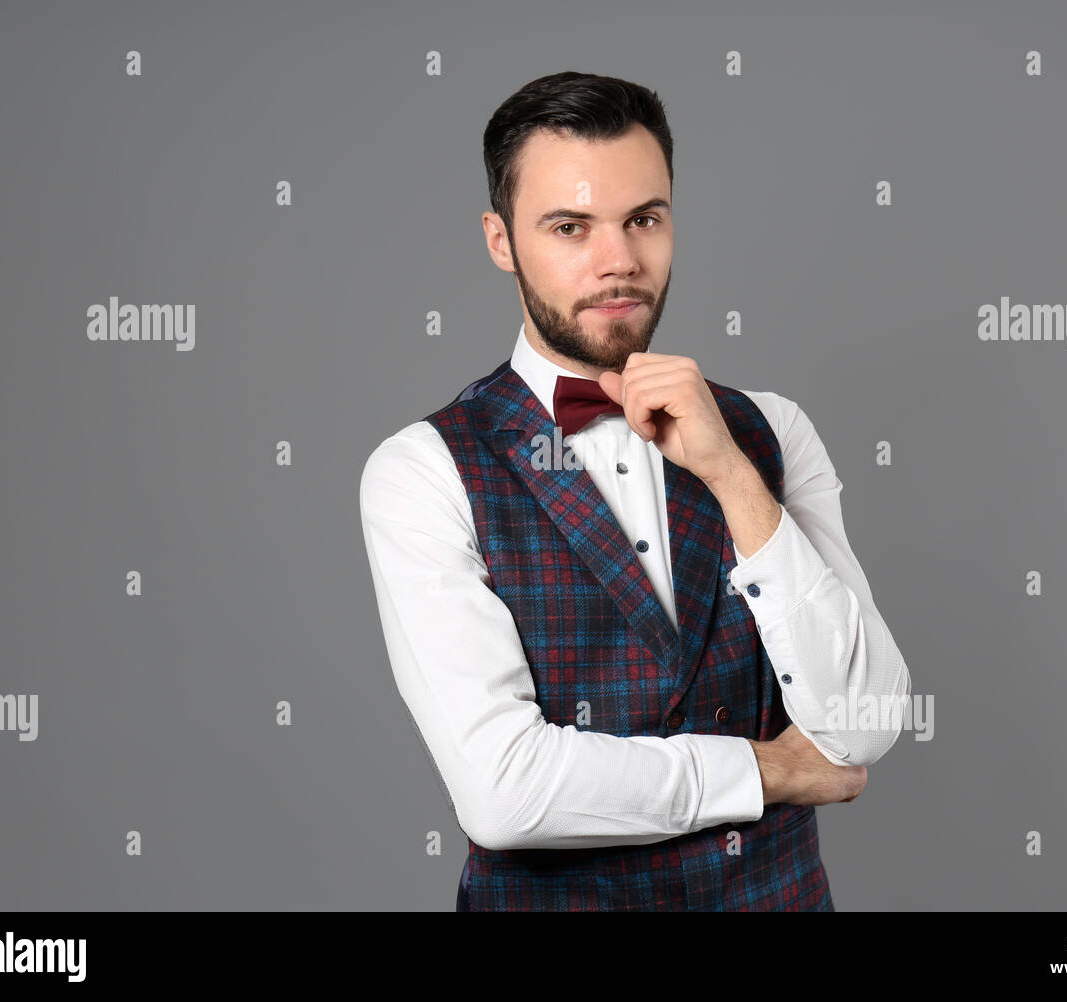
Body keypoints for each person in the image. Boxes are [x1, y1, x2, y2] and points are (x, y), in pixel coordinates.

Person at [359, 71, 910, 911]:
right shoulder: (424, 469)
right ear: (500, 240)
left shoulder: (769, 430)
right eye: (570, 226)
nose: (619, 262)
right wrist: (769, 771)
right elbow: (506, 790)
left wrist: (730, 475)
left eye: (643, 220)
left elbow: (865, 719)